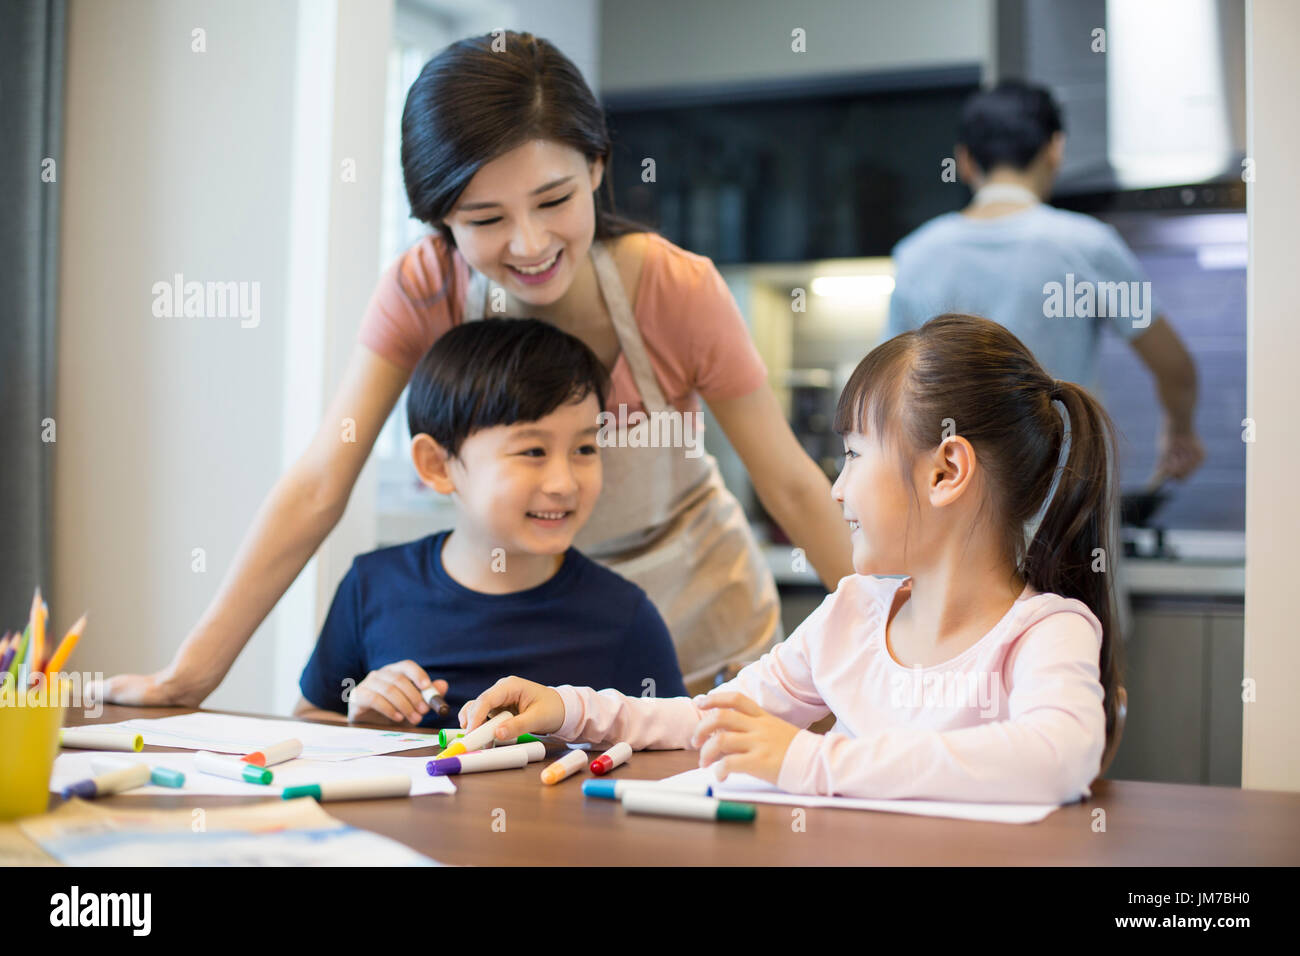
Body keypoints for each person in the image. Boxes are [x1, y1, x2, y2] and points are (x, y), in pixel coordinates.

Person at [101, 31, 853, 707]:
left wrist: (907, 643)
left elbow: (791, 485)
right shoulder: (425, 289)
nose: (528, 244)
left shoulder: (674, 290)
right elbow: (320, 481)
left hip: (701, 632)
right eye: (485, 220)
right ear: (440, 222)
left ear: (597, 167)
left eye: (552, 199)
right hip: (542, 631)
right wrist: (190, 676)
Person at [454, 314, 1124, 804]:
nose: (837, 487)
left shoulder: (1044, 631)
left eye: (855, 455)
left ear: (946, 470)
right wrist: (570, 710)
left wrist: (812, 761)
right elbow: (713, 717)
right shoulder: (853, 616)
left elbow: (1057, 758)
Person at [293, 320, 685, 725]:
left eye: (585, 448)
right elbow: (308, 718)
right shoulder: (372, 585)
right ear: (436, 465)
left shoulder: (625, 616)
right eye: (533, 451)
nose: (564, 483)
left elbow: (676, 750)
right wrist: (362, 725)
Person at [888, 80, 1204, 483]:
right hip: (1065, 504)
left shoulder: (915, 255)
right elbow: (1176, 367)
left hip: (950, 499)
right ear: (1055, 149)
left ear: (964, 160)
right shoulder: (1089, 246)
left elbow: (891, 394)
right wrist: (1180, 431)